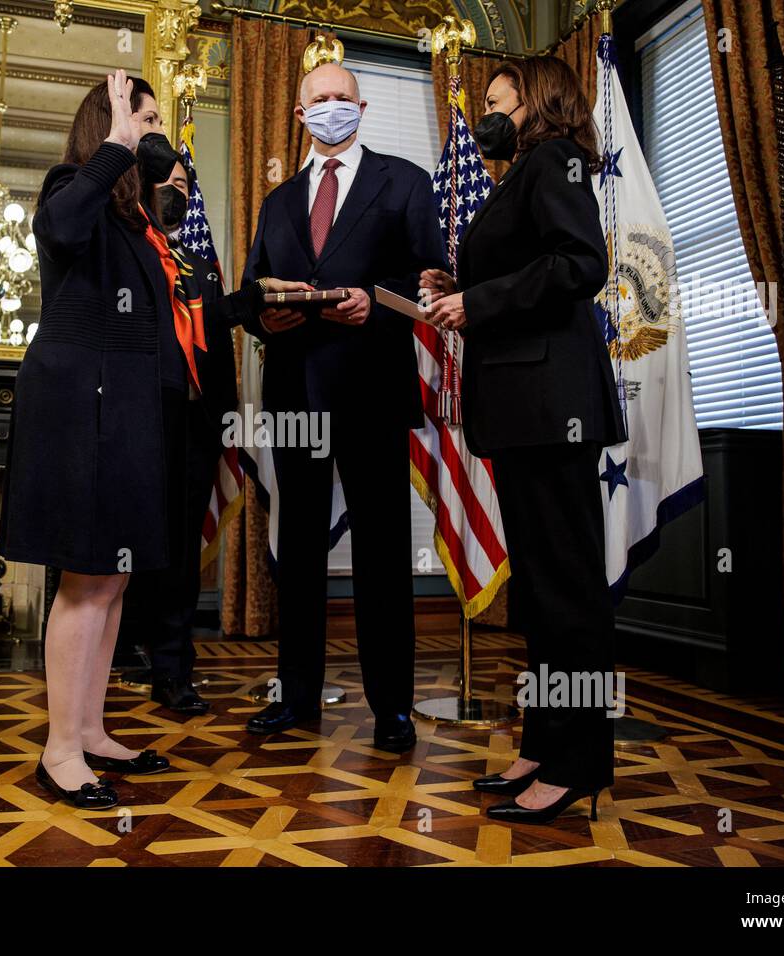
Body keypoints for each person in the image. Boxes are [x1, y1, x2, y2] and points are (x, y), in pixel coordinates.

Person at [0, 70, 308, 809]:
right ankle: (60, 750)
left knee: (113, 580)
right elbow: (62, 229)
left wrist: (253, 307)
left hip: (133, 410)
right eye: (148, 116)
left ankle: (92, 729)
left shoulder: (140, 222)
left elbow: (176, 321)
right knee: (85, 581)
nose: (157, 130)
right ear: (111, 123)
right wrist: (115, 143)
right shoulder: (70, 186)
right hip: (82, 409)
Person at [421, 56, 625, 824]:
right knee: (540, 595)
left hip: (553, 407)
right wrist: (458, 293)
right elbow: (523, 271)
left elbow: (582, 264)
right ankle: (545, 743)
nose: (487, 113)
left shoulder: (557, 159)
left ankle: (579, 763)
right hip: (522, 411)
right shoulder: (524, 174)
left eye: (498, 99)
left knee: (567, 592)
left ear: (536, 101)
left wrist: (481, 300)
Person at [240, 62, 447, 752]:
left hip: (374, 391)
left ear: (362, 107)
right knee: (296, 554)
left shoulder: (406, 181)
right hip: (295, 392)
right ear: (299, 115)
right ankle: (295, 699)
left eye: (342, 99)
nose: (332, 109)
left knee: (382, 555)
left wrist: (375, 305)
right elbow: (248, 296)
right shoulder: (276, 202)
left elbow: (428, 283)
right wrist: (268, 317)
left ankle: (393, 708)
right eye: (318, 101)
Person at [114, 160, 241, 715]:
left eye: (185, 187)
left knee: (180, 556)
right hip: (137, 424)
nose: (175, 194)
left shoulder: (196, 264)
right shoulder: (126, 252)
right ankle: (115, 651)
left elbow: (213, 326)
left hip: (194, 427)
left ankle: (173, 669)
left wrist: (259, 296)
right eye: (164, 185)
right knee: (127, 546)